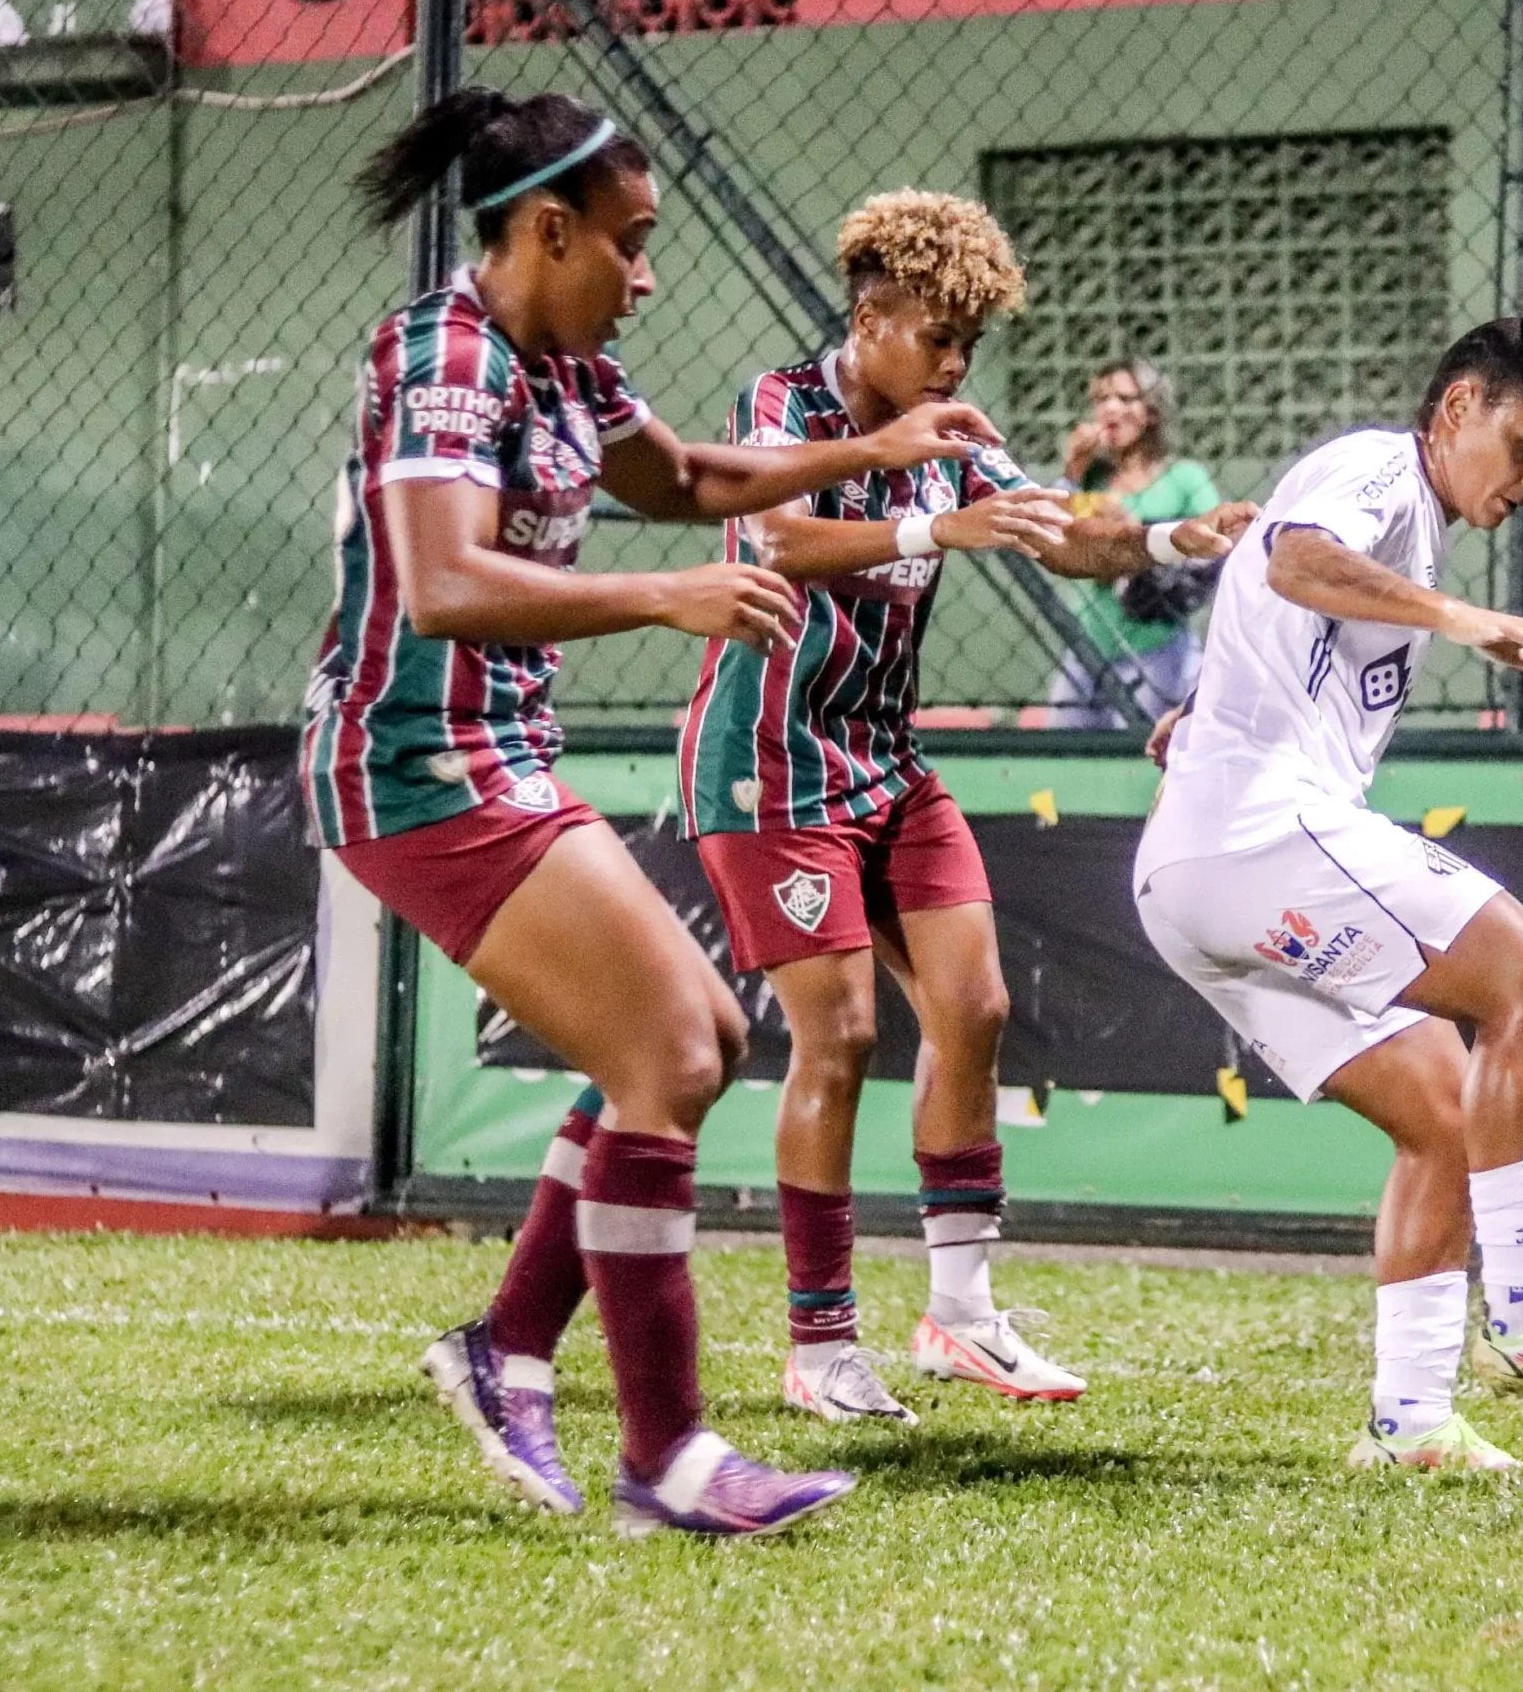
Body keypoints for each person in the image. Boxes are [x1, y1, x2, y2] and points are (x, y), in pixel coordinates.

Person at [307, 90, 1003, 1537]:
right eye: (630, 246)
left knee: (705, 1043)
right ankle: (667, 1454)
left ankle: (504, 1352)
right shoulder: (443, 352)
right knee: (675, 1047)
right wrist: (665, 594)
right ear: (546, 229)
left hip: (499, 748)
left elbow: (689, 479)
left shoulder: (566, 371)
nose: (646, 275)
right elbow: (443, 581)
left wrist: (871, 456)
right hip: (413, 763)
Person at [681, 190, 1256, 1426]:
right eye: (938, 335)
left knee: (975, 1003)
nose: (954, 364)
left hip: (884, 760)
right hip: (769, 766)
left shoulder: (949, 426)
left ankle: (958, 1314)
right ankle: (820, 1340)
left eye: (969, 345)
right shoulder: (782, 404)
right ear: (871, 315)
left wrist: (1172, 542)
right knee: (836, 1039)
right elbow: (775, 535)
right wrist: (940, 518)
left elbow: (1058, 531)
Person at [1133, 276, 1523, 1473]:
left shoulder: (1409, 511)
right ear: (1457, 408)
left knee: (1442, 1107)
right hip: (1255, 836)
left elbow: (1272, 601)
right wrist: (1459, 616)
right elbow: (1292, 557)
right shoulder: (1383, 470)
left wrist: (1201, 712)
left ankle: (1411, 1426)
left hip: (1195, 870)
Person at [1045, 359, 1222, 726]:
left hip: (1156, 643)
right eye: (1102, 398)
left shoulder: (1183, 478)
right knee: (1063, 746)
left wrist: (1136, 532)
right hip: (1088, 642)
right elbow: (1051, 531)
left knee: (1145, 748)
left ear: (1152, 412)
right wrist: (1072, 471)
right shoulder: (1092, 478)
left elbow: (1218, 547)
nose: (1111, 408)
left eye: (1126, 399)